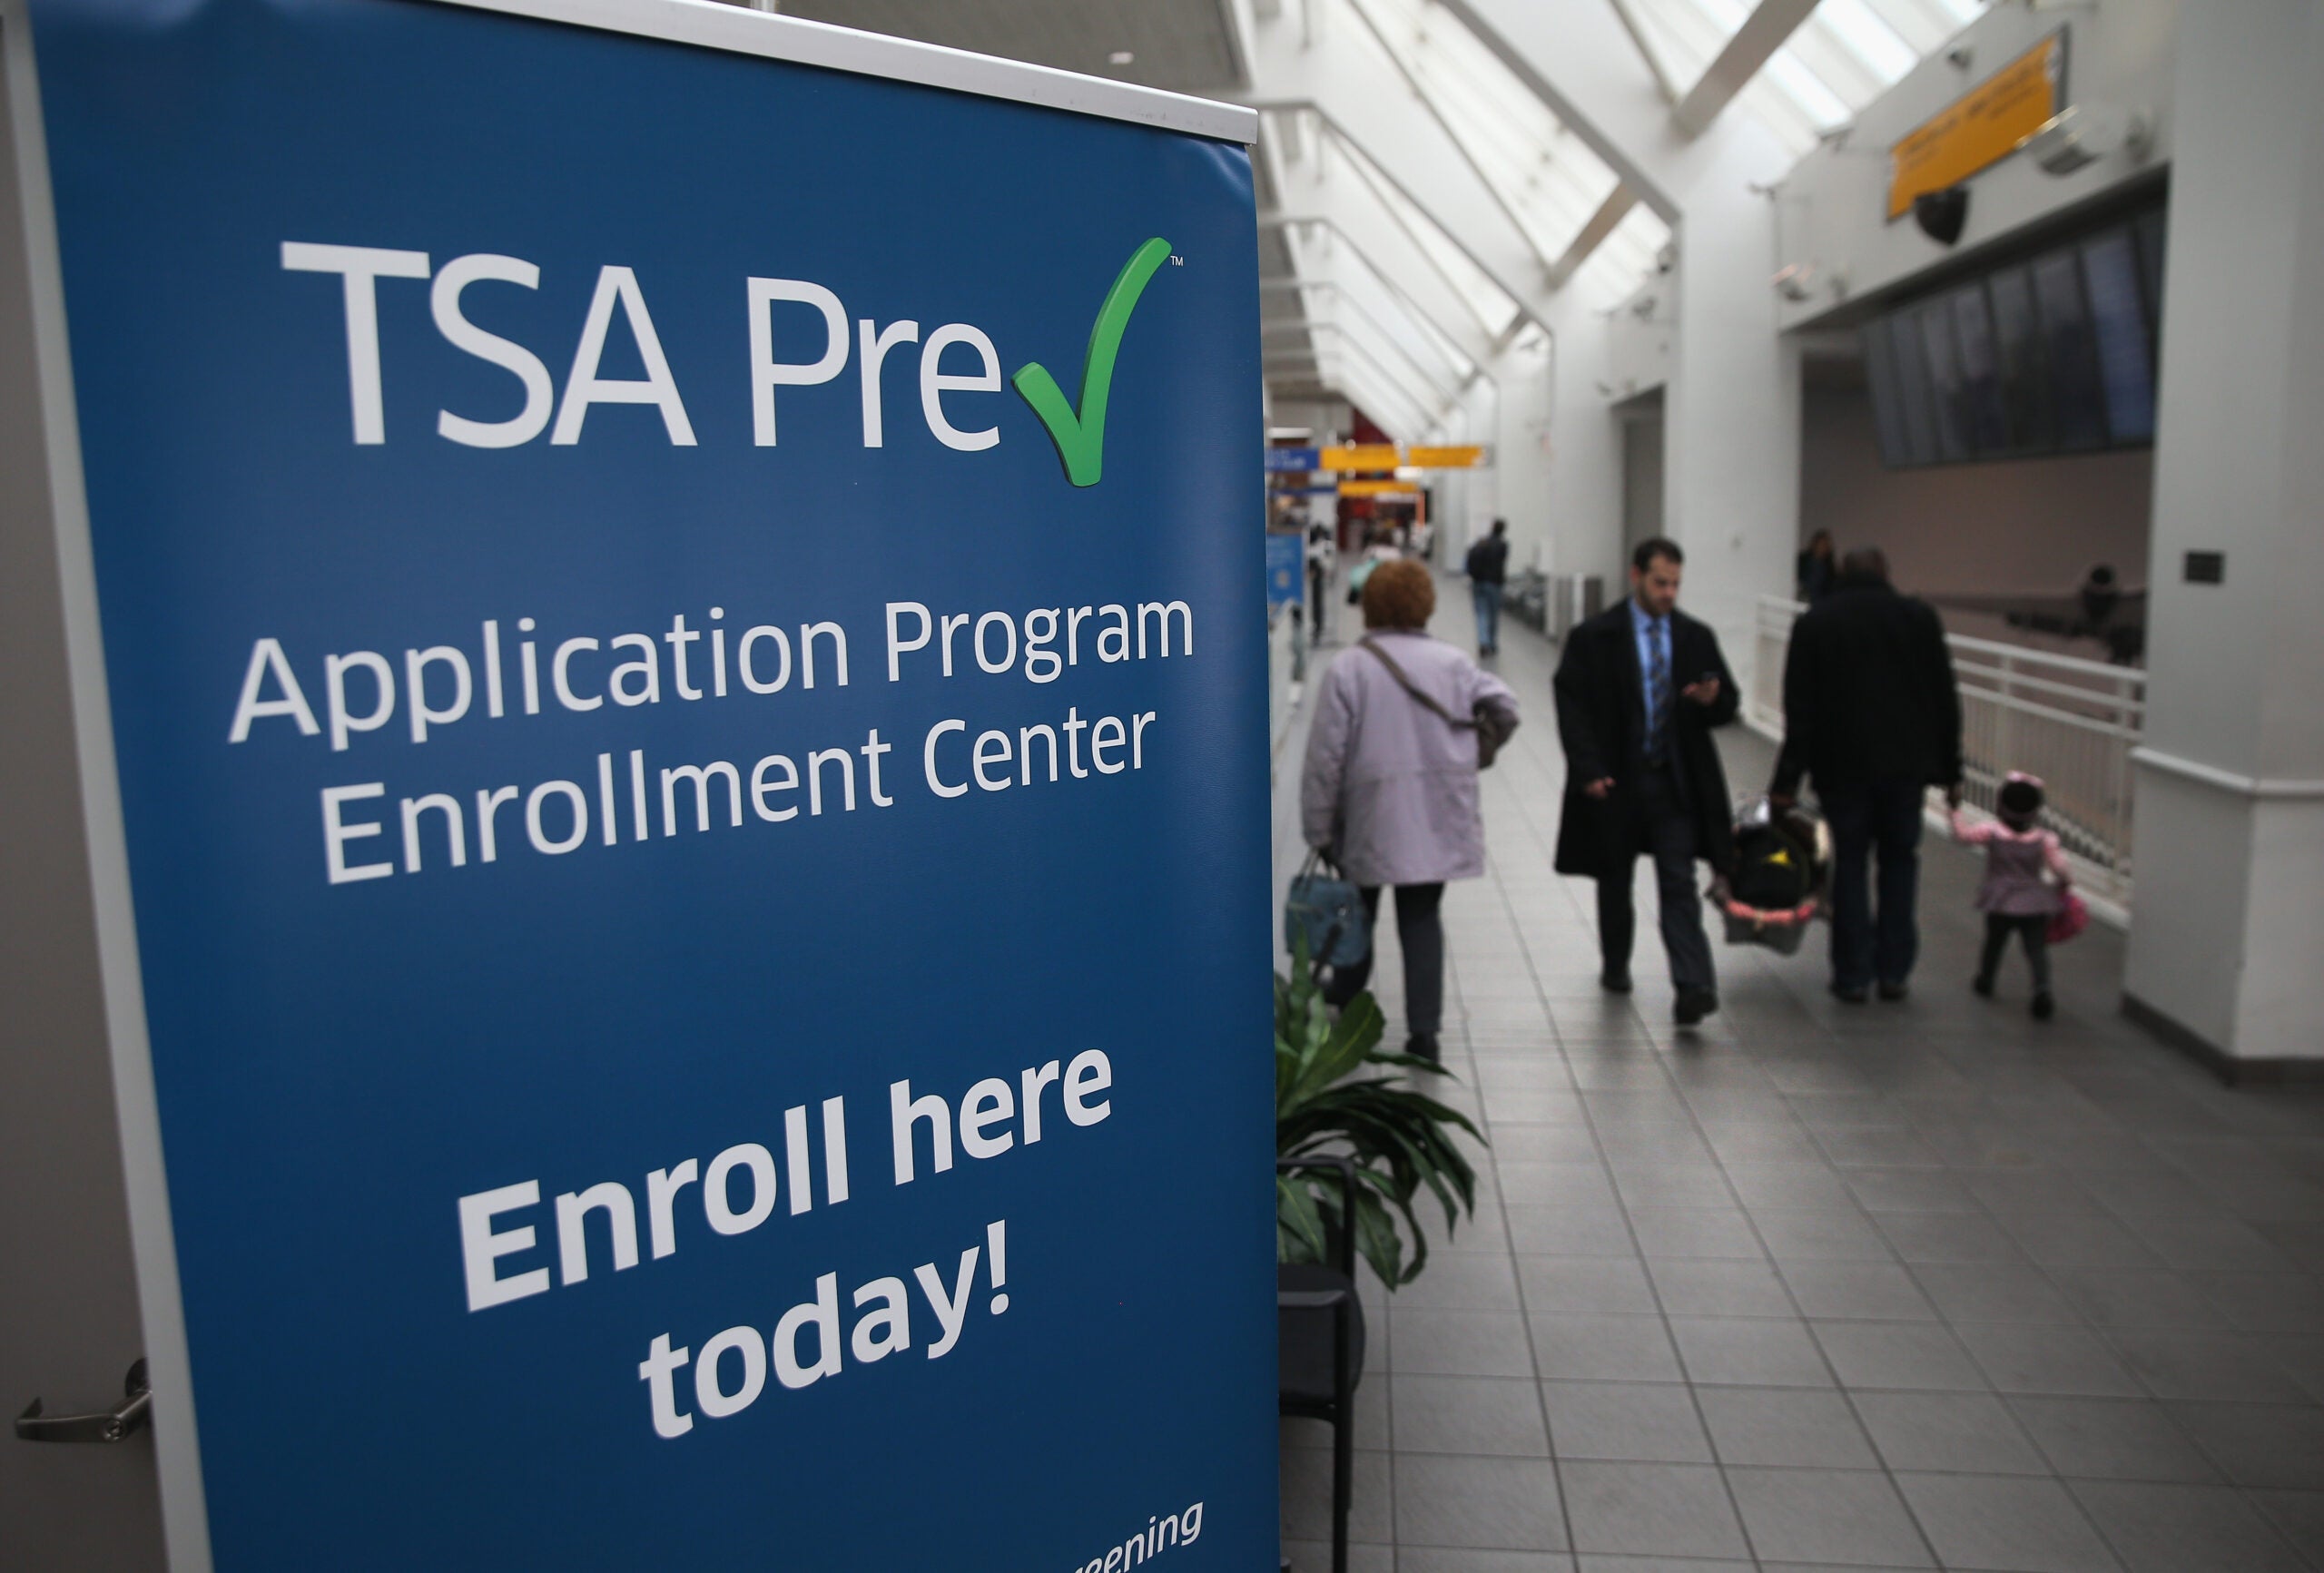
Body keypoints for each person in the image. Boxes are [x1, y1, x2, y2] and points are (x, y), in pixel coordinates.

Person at [1301, 559, 1519, 1061]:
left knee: (1356, 912)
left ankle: (1347, 1002)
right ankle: (1424, 1032)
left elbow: (1325, 759)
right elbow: (1506, 706)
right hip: (1435, 814)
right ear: (1426, 604)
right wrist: (1479, 749)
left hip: (1370, 816)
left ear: (1371, 605)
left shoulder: (1349, 669)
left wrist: (1318, 827)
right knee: (1421, 918)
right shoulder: (1453, 664)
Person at [1552, 537, 1739, 1025]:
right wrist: (1587, 769)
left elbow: (1728, 703)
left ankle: (1693, 983)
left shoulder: (1694, 637)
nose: (1669, 593)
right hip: (1618, 783)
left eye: (1676, 583)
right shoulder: (1596, 637)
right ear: (1636, 576)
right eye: (1660, 582)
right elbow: (1572, 707)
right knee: (1615, 878)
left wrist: (1711, 700)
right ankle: (1616, 963)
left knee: (1678, 882)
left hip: (1674, 784)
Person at [1769, 546, 1963, 1003]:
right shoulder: (1919, 619)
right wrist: (1952, 770)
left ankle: (1853, 974)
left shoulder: (1816, 622)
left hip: (1842, 769)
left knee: (1850, 865)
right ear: (1885, 573)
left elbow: (1800, 714)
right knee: (1900, 861)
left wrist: (1784, 784)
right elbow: (1944, 698)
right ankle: (1894, 970)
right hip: (1905, 771)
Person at [1950, 772, 2071, 1020]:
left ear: (2000, 805)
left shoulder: (1991, 832)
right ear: (2036, 811)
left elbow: (1962, 836)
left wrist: (1954, 811)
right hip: (2034, 903)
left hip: (2000, 902)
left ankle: (1986, 979)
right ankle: (2042, 988)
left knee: (1994, 943)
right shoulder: (2044, 840)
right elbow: (2060, 867)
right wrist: (2064, 883)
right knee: (2036, 948)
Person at [1464, 518, 1511, 655]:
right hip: (1495, 584)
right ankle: (1492, 643)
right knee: (1493, 615)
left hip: (1478, 583)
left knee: (1481, 613)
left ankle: (1483, 642)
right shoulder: (1502, 545)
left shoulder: (1481, 543)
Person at [1305, 520, 1336, 637]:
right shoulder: (1315, 548)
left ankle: (1318, 624)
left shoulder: (1322, 546)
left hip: (1318, 576)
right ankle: (1317, 624)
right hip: (1316, 577)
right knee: (1316, 602)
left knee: (1318, 602)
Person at [1795, 529, 1837, 604]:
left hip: (1820, 600)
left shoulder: (1830, 566)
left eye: (1826, 544)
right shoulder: (1803, 560)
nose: (1823, 547)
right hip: (1801, 596)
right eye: (1822, 544)